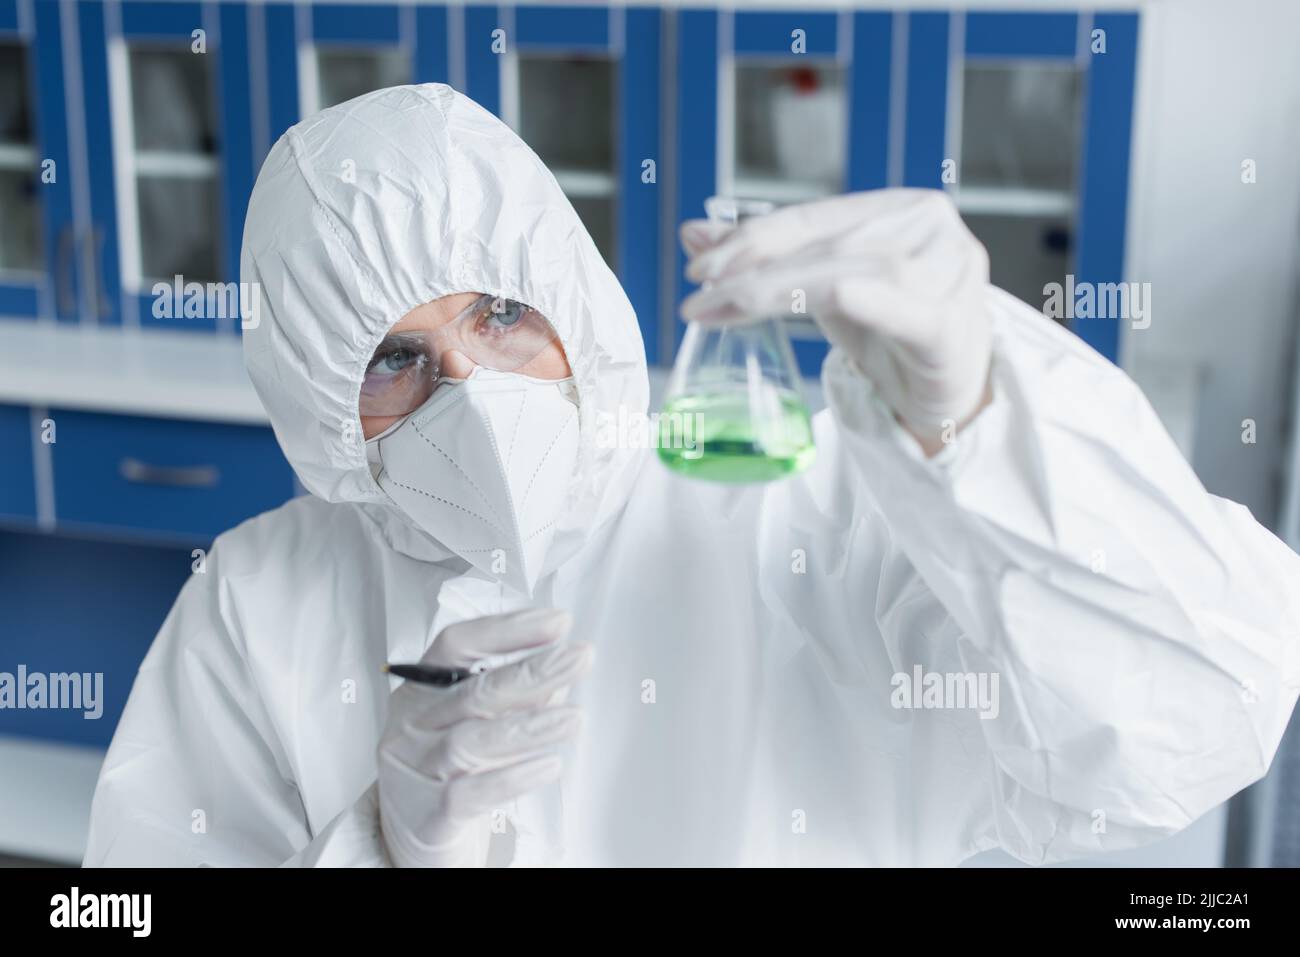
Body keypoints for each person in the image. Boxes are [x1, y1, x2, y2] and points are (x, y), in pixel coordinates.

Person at [83, 84, 1300, 867]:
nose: (474, 396)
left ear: (564, 286)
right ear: (316, 401)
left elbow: (1190, 732)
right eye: (399, 360)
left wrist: (980, 423)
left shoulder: (823, 509)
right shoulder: (256, 602)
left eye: (502, 314)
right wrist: (381, 844)